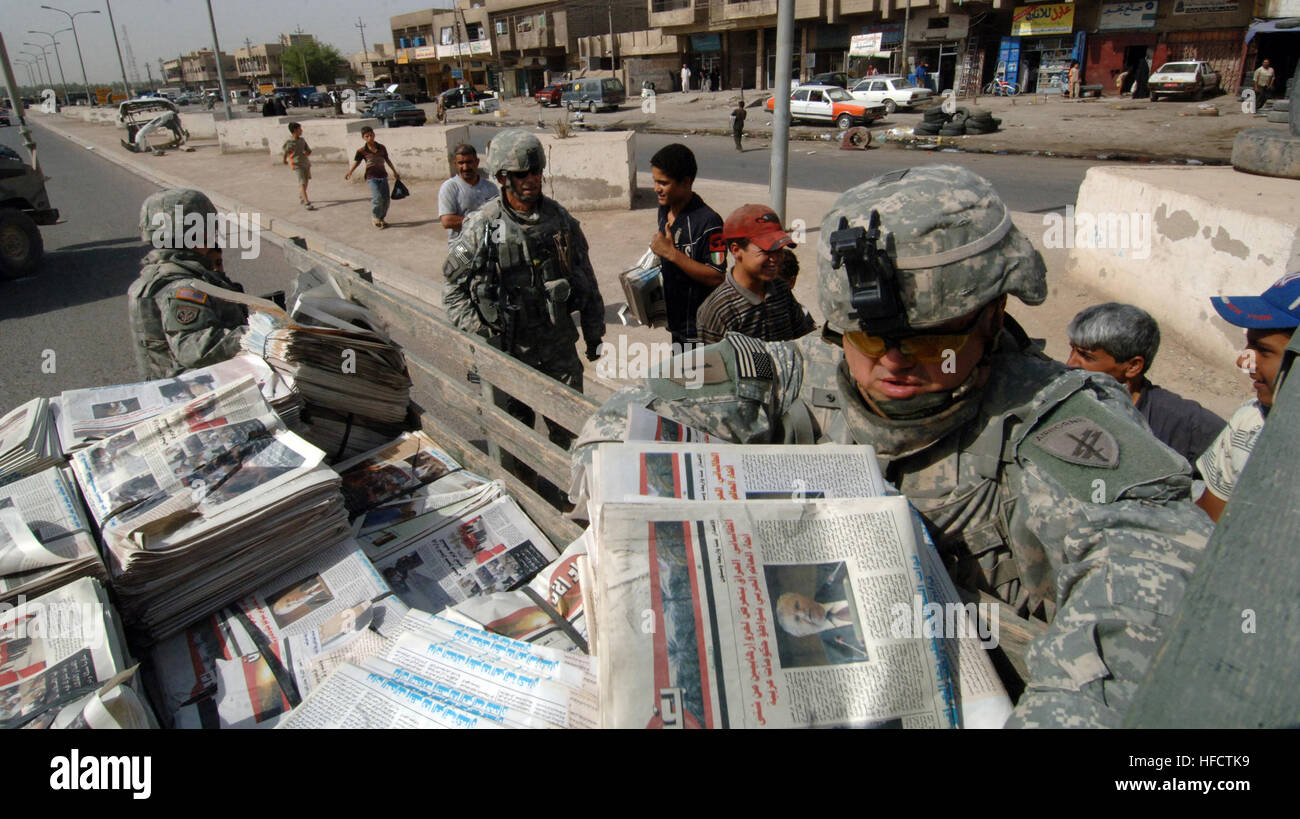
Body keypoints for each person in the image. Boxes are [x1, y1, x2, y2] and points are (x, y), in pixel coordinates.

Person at [572, 165, 1212, 728]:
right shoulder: (801, 370)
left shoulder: (1050, 420)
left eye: (932, 342)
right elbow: (635, 410)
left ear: (992, 316)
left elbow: (1154, 579)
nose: (894, 366)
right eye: (870, 340)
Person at [442, 129, 606, 449]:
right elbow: (452, 290)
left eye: (536, 171)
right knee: (517, 435)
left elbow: (586, 277)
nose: (531, 179)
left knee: (570, 428)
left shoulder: (560, 220)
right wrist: (481, 334)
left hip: (558, 346)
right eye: (521, 174)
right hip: (511, 349)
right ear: (503, 177)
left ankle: (565, 491)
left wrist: (594, 332)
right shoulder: (484, 224)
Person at [1065, 302, 1224, 473]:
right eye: (1072, 350)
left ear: (1133, 366)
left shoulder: (1183, 421)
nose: (1070, 364)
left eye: (1086, 356)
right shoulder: (1062, 398)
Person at [1195, 273, 1300, 522]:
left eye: (1263, 350)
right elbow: (1206, 523)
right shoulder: (1251, 422)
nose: (1243, 361)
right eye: (1248, 346)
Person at [129, 189, 249, 381]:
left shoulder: (159, 273)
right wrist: (257, 336)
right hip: (200, 391)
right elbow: (193, 349)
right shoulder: (182, 287)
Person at [696, 204, 815, 345]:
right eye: (766, 250)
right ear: (736, 250)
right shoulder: (718, 311)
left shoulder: (781, 289)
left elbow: (803, 341)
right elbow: (713, 365)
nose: (776, 258)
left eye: (779, 249)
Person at [648, 144, 726, 348]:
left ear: (686, 182)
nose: (657, 188)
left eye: (663, 183)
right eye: (655, 181)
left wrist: (672, 254)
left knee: (697, 378)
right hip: (676, 325)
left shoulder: (710, 223)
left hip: (700, 332)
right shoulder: (664, 209)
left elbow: (717, 276)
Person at [437, 143, 498, 243]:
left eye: (469, 162)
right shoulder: (449, 187)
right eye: (461, 163)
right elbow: (447, 221)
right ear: (455, 164)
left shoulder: (491, 188)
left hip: (487, 246)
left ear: (477, 162)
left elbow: (499, 218)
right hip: (460, 246)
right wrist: (480, 221)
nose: (465, 167)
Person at [345, 126, 402, 229]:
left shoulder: (382, 148)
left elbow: (387, 160)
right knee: (377, 197)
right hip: (371, 177)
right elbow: (357, 162)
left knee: (386, 199)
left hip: (383, 176)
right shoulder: (362, 151)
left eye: (371, 135)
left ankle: (381, 218)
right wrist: (350, 172)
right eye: (367, 136)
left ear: (374, 135)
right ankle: (375, 217)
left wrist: (394, 171)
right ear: (363, 138)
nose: (370, 138)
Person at [281, 121, 314, 210]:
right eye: (300, 129)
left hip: (305, 163)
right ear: (295, 130)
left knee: (306, 181)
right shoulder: (289, 142)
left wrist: (307, 153)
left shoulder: (302, 140)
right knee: (302, 183)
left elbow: (308, 151)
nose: (301, 130)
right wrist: (284, 160)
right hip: (296, 164)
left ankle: (302, 195)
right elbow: (286, 152)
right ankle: (306, 202)